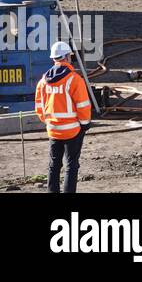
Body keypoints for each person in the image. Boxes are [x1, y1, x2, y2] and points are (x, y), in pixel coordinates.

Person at [34, 41, 93, 193]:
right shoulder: (74, 79)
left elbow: (39, 107)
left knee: (54, 165)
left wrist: (49, 122)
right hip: (72, 130)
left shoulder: (43, 81)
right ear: (66, 57)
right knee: (71, 165)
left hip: (53, 130)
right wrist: (85, 124)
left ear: (54, 59)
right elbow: (83, 106)